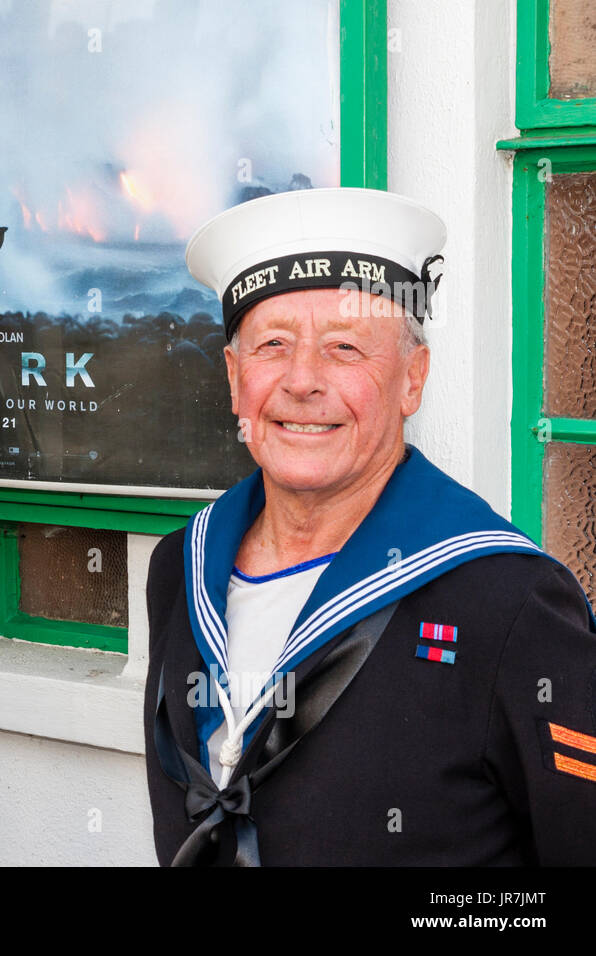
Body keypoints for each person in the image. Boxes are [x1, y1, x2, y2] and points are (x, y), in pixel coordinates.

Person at [145, 186, 596, 865]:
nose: (302, 381)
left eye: (345, 348)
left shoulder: (510, 604)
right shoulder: (179, 567)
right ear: (237, 378)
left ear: (412, 378)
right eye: (273, 344)